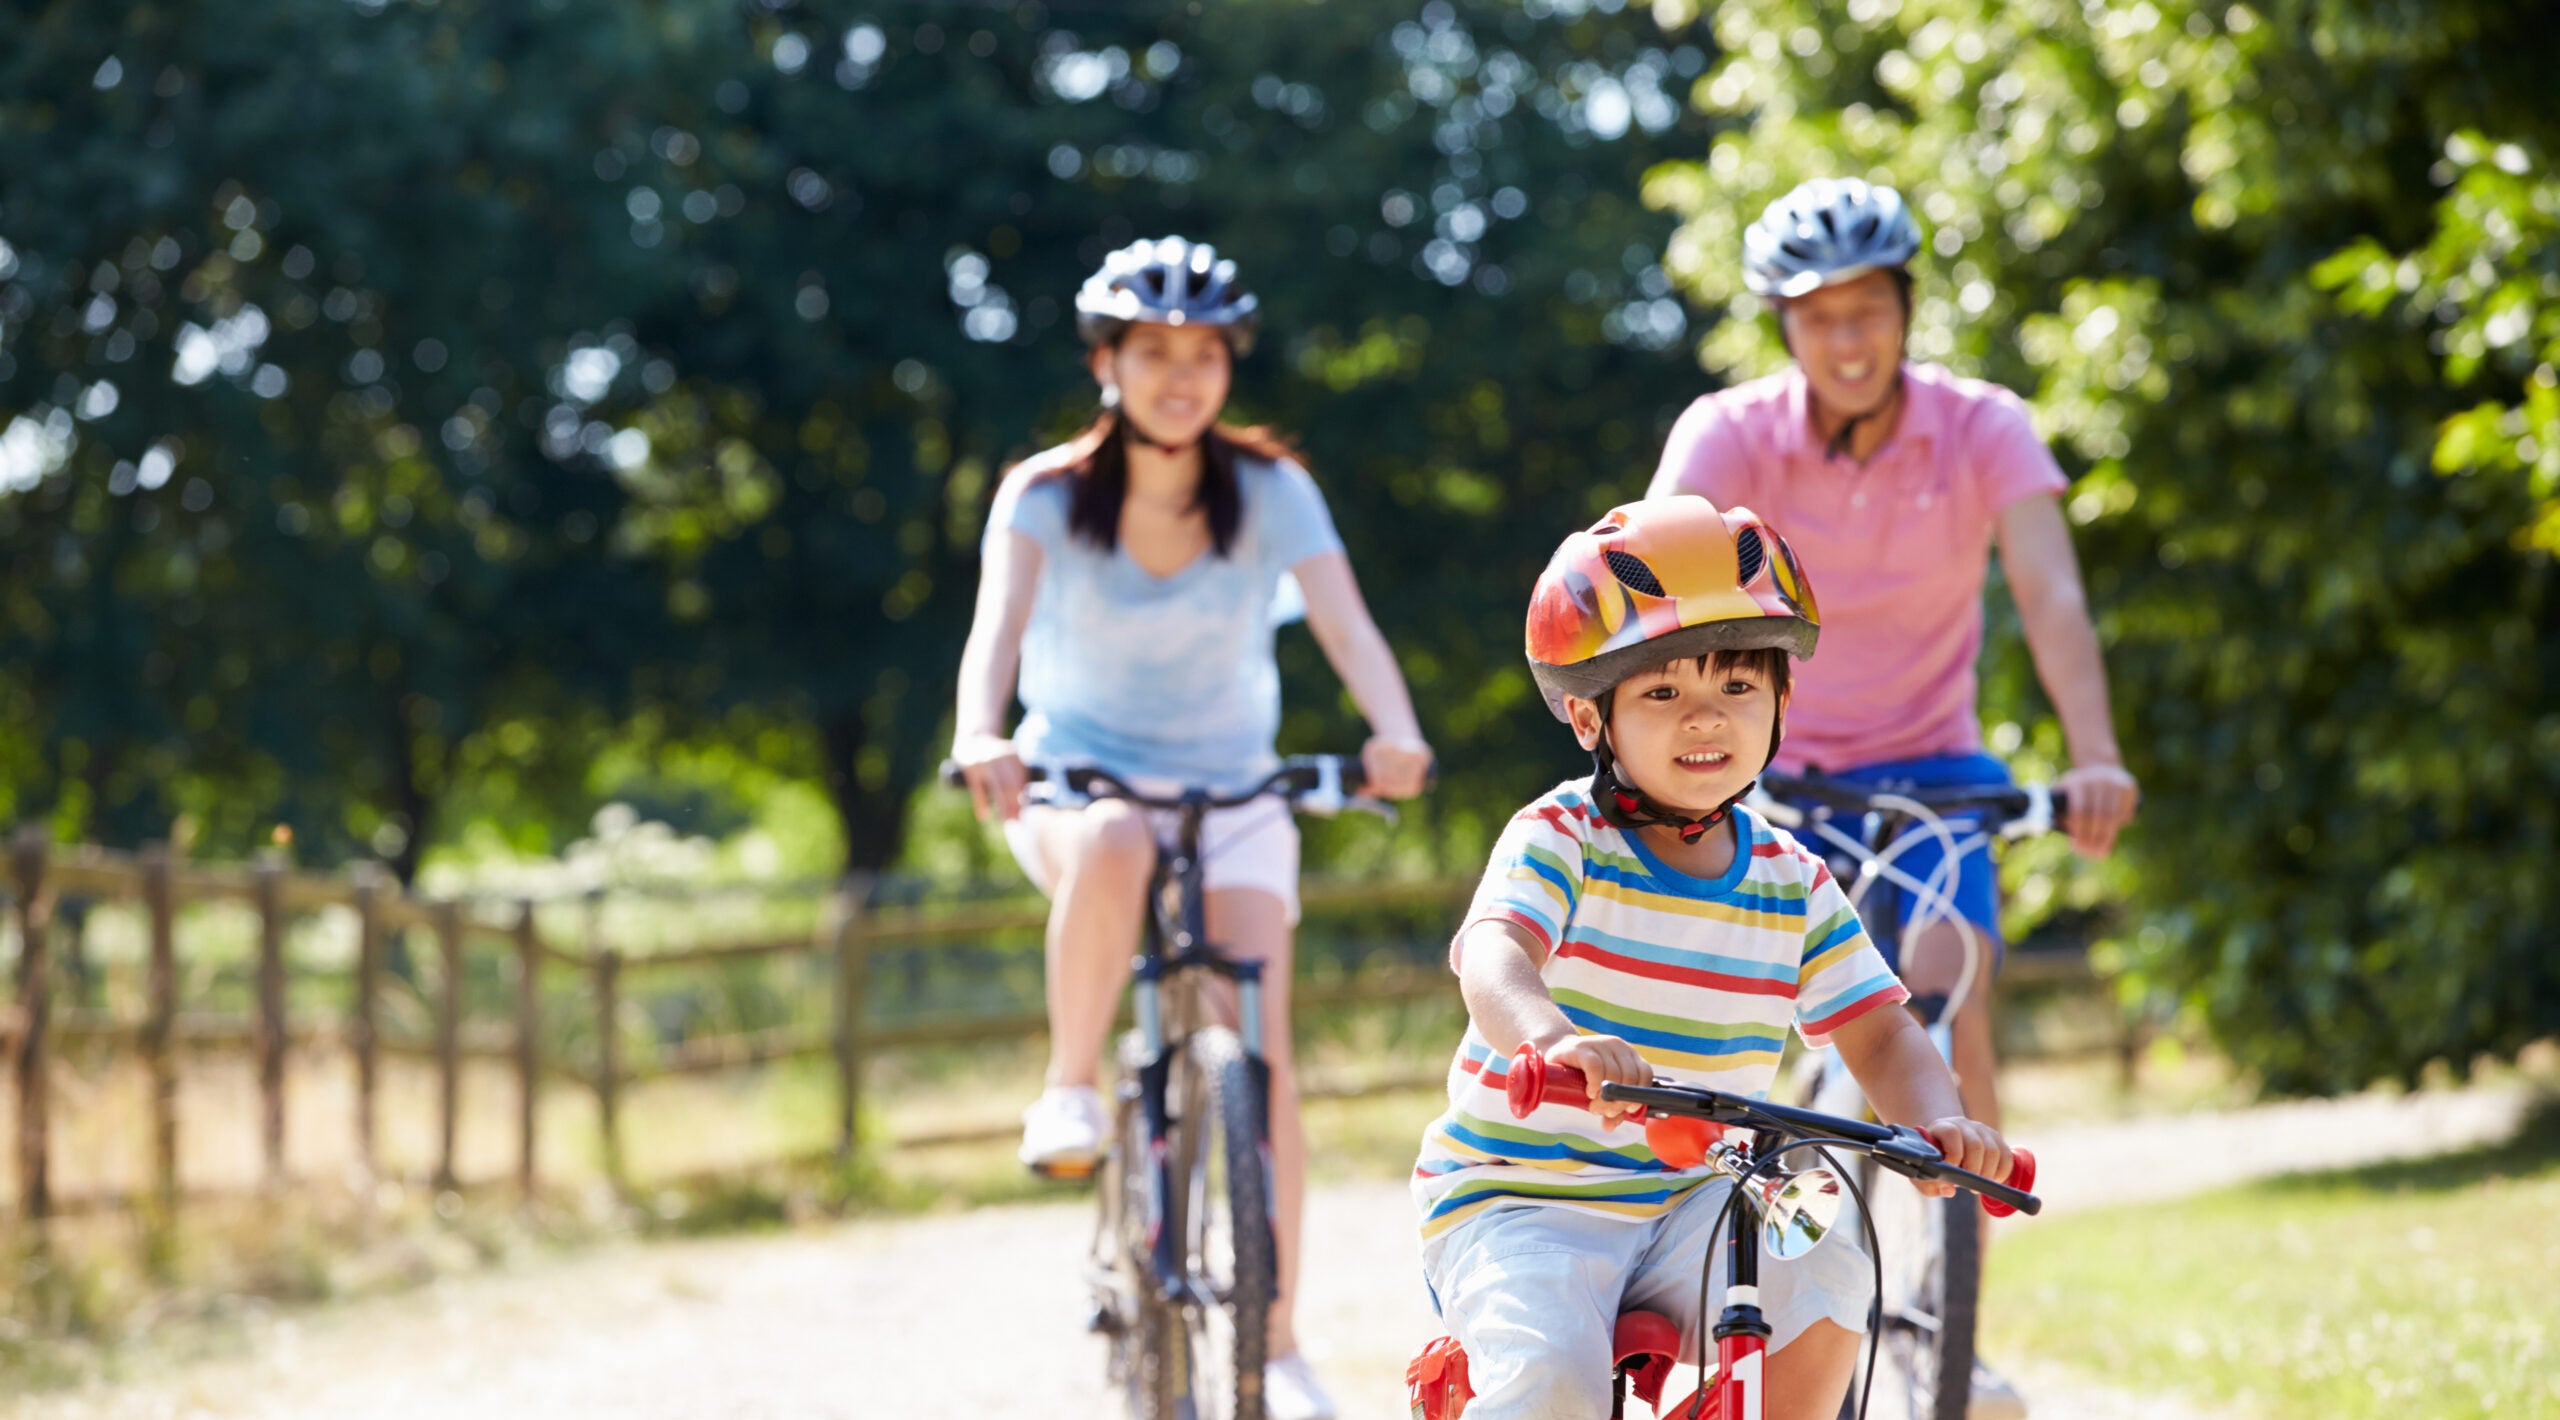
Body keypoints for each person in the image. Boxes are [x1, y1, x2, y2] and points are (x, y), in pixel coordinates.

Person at [1647, 175, 2137, 1417]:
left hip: (1933, 770)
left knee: (1944, 964)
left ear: (1906, 310)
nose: (1848, 339)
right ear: (1783, 327)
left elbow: (2053, 597)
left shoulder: (1981, 429)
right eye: (1819, 316)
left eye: (1869, 309)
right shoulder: (1731, 433)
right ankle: (1724, 1259)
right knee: (1755, 1023)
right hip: (1773, 771)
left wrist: (2093, 752)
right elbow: (1655, 583)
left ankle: (1943, 1310)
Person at [951, 235, 1431, 1420]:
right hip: (1078, 786)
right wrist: (980, 733)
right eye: (1152, 352)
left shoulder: (1271, 490)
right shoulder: (1047, 495)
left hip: (1233, 795)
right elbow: (994, 636)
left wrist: (1394, 728)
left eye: (1203, 355)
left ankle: (1274, 1346)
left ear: (1229, 367)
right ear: (1106, 362)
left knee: (1259, 1056)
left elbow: (1348, 627)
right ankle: (1068, 1086)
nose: (1180, 376)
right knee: (1113, 842)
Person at [1412, 495, 2017, 1420]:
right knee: (1551, 1381)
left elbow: (1882, 1033)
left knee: (1829, 1268)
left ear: (1781, 699)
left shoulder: (1793, 877)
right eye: (1663, 693)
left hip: (1706, 1193)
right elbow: (1494, 954)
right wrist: (1555, 1039)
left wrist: (1941, 1123)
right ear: (1588, 716)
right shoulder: (1560, 836)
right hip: (1524, 1201)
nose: (1706, 720)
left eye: (1737, 688)